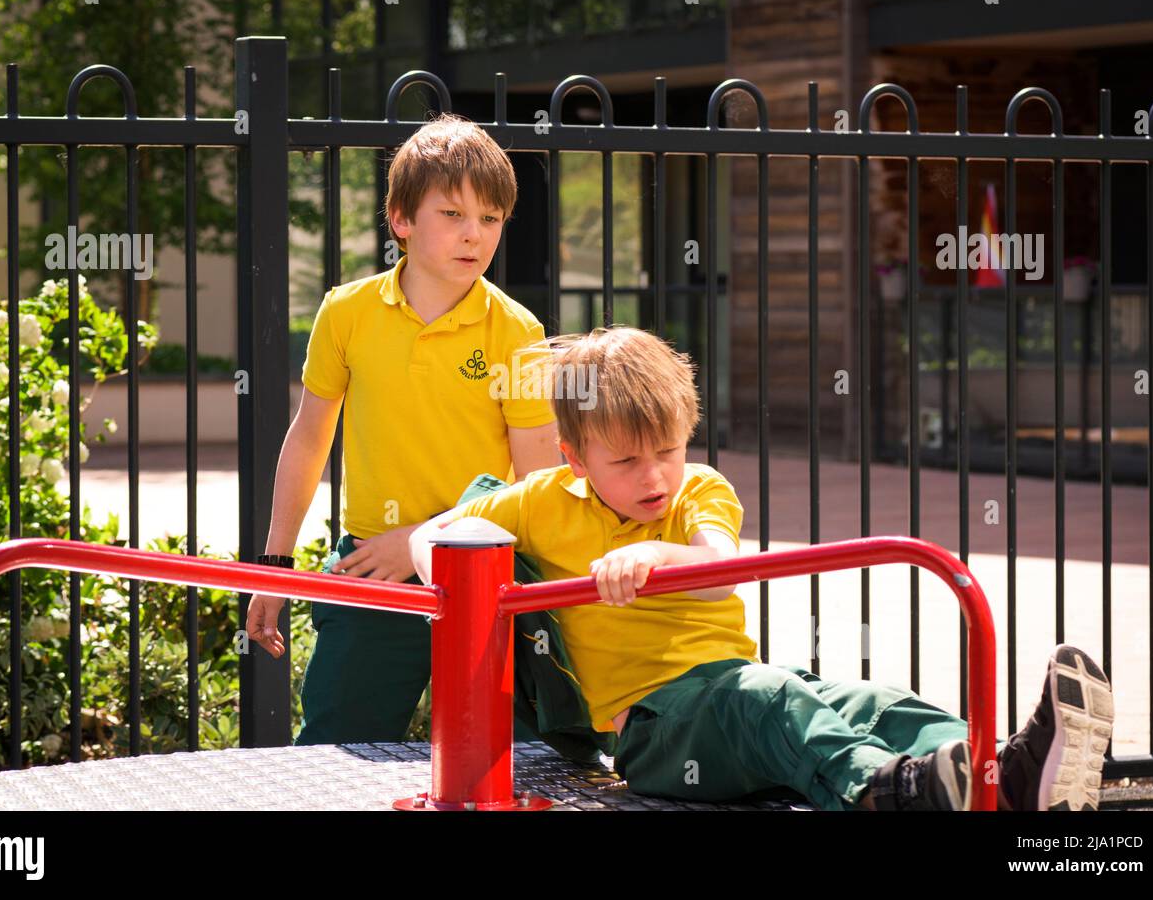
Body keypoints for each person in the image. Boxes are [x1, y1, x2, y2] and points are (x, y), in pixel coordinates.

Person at [408, 327, 1116, 810]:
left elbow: (721, 566)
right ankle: (885, 793)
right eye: (626, 461)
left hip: (731, 682)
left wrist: (656, 554)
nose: (655, 475)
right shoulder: (540, 502)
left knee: (875, 703)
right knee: (771, 701)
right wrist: (447, 565)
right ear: (574, 458)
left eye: (668, 448)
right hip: (653, 729)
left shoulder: (700, 491)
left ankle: (1004, 773)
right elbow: (443, 537)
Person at [247, 113, 561, 744]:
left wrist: (421, 539)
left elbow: (539, 484)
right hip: (371, 572)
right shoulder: (347, 312)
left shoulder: (520, 333)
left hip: (484, 579)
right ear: (402, 220)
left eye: (491, 218)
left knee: (503, 768)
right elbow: (309, 438)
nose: (474, 235)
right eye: (452, 214)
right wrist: (274, 565)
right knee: (332, 765)